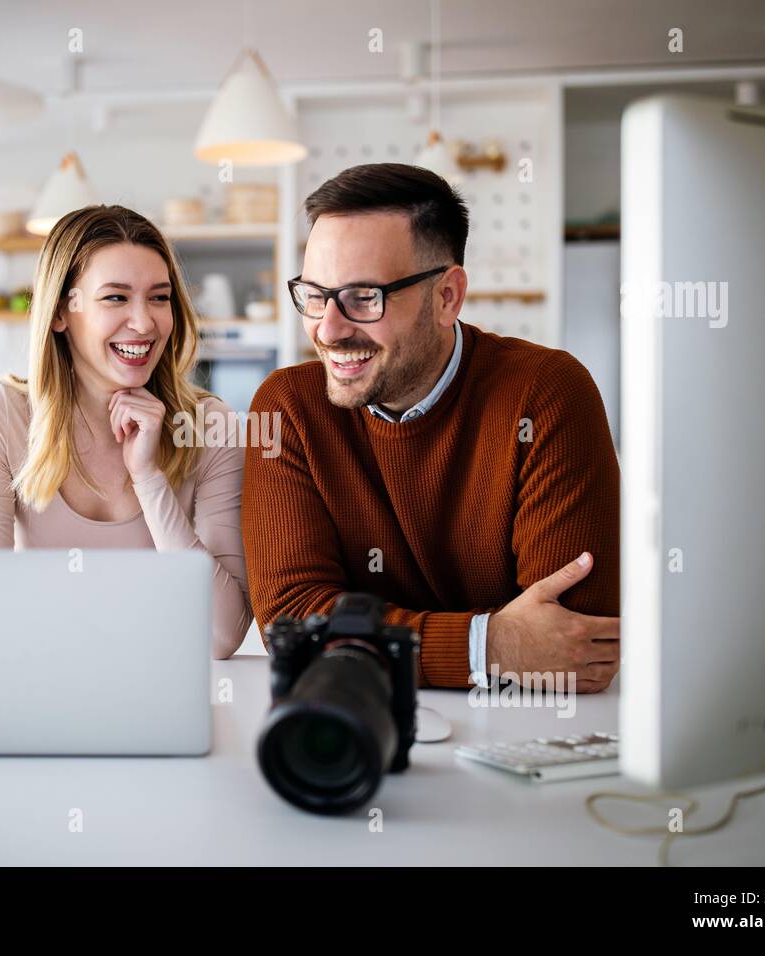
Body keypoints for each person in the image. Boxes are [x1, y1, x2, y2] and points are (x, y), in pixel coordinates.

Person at [242, 163, 619, 691]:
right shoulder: (287, 409)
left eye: (363, 298)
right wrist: (489, 645)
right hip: (347, 723)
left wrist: (375, 640)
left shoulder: (548, 393)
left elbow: (577, 643)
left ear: (447, 296)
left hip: (522, 737)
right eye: (314, 293)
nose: (327, 329)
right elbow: (294, 625)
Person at [0, 204, 252, 659]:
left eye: (159, 297)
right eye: (116, 298)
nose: (145, 322)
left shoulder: (211, 426)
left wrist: (150, 479)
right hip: (44, 685)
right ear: (60, 313)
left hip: (168, 691)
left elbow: (222, 636)